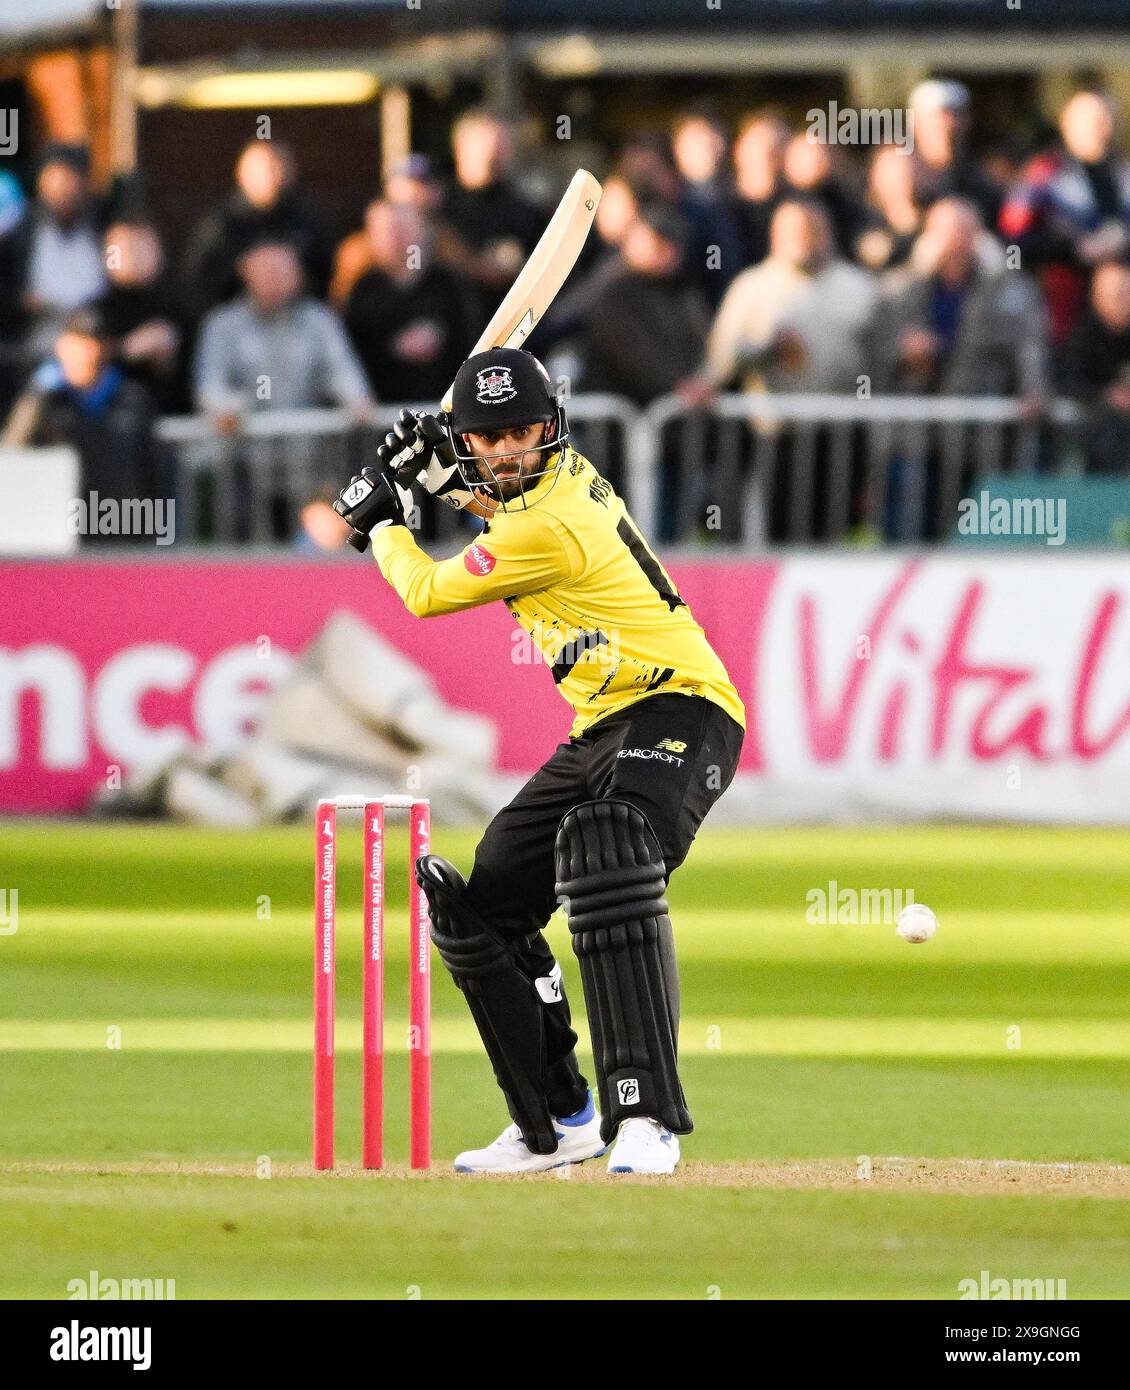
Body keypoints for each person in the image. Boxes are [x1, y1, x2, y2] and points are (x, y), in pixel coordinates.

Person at [331, 347, 746, 1175]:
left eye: (525, 432)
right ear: (470, 443)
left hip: (684, 706)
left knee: (612, 844)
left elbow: (426, 592)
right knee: (482, 904)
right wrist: (437, 485)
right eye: (492, 437)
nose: (513, 448)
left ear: (550, 429)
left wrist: (383, 521)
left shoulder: (550, 524)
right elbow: (493, 501)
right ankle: (557, 1120)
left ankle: (647, 1119)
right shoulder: (535, 493)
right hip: (602, 723)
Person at [1, 309, 158, 545]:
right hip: (57, 533)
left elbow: (148, 469)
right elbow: (12, 450)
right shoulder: (48, 400)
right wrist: (35, 396)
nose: (84, 354)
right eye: (74, 345)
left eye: (91, 345)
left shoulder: (132, 398)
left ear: (105, 348)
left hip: (124, 532)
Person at [193, 238, 372, 430]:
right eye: (266, 271)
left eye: (283, 271)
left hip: (309, 444)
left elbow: (341, 369)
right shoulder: (222, 324)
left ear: (298, 275)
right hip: (244, 447)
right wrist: (226, 409)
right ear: (245, 274)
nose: (275, 278)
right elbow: (211, 384)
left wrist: (357, 399)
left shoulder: (319, 320)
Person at [1000, 90, 1130, 348]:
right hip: (1058, 314)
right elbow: (1011, 247)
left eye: (1105, 121)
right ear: (1067, 125)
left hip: (1118, 321)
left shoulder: (1123, 176)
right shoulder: (1042, 178)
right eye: (1091, 122)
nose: (1100, 130)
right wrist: (1072, 250)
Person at [181, 140, 332, 320]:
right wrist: (242, 271)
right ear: (241, 173)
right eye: (259, 170)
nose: (267, 177)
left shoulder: (307, 220)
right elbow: (199, 279)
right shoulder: (219, 224)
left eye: (274, 168)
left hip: (296, 320)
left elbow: (325, 273)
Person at [343, 200, 477, 402]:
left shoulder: (450, 285)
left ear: (423, 232)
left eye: (405, 229)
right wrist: (392, 348)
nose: (398, 239)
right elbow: (349, 352)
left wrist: (441, 339)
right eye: (388, 231)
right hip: (383, 410)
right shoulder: (363, 290)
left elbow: (473, 340)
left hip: (445, 405)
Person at [1062, 260, 1130, 473]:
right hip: (1093, 443)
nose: (1125, 301)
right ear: (1097, 297)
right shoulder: (1082, 336)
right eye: (1118, 294)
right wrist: (1108, 395)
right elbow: (1068, 382)